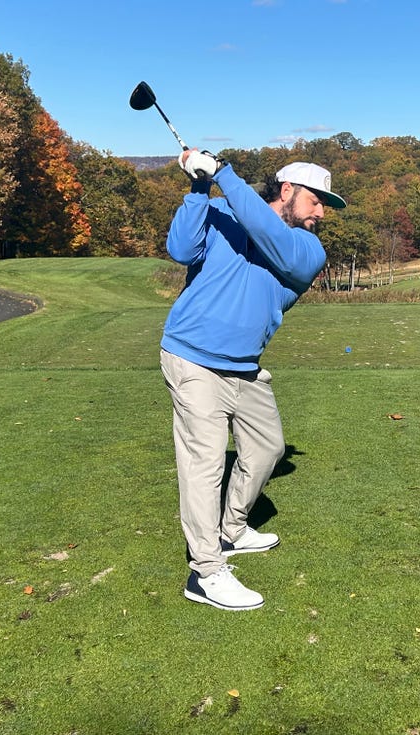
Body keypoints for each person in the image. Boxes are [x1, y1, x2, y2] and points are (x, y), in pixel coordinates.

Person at [160, 149, 345, 611]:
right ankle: (205, 571)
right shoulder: (222, 210)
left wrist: (223, 173)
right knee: (205, 463)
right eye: (317, 201)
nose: (322, 212)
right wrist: (200, 188)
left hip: (244, 364)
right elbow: (180, 249)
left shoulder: (308, 249)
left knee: (268, 448)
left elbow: (270, 238)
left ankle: (233, 527)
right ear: (288, 191)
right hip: (193, 357)